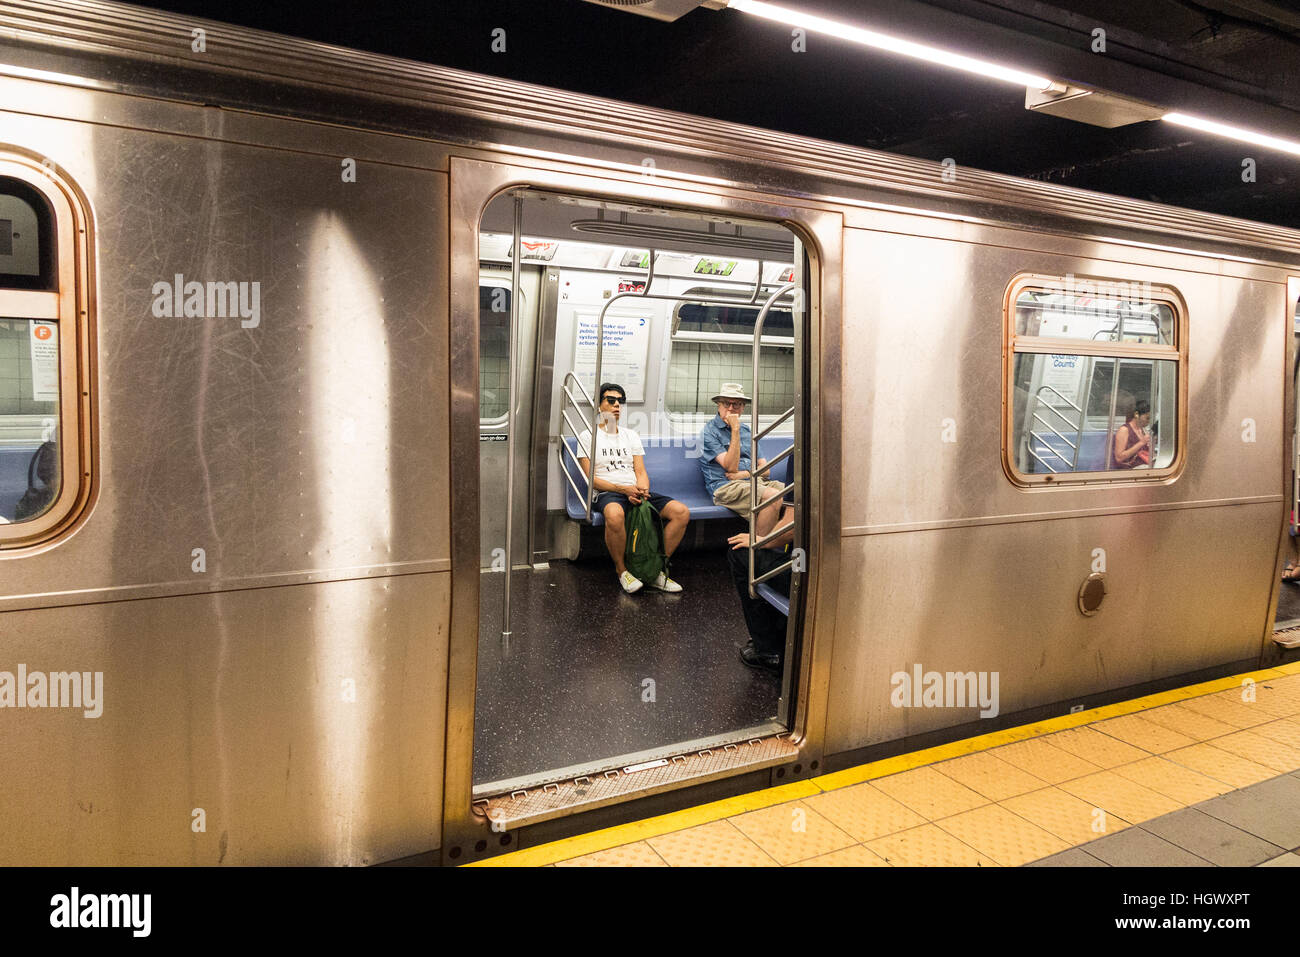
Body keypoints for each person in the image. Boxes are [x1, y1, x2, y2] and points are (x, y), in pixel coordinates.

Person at [578, 382, 690, 594]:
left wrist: (642, 490)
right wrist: (624, 490)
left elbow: (640, 471)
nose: (616, 405)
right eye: (610, 400)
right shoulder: (588, 437)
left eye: (620, 401)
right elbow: (592, 480)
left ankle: (654, 569)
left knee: (681, 513)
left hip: (634, 490)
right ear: (599, 405)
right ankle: (623, 572)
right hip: (608, 491)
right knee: (614, 514)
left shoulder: (630, 435)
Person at [697, 383, 793, 541]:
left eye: (737, 404)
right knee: (772, 496)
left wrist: (744, 473)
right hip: (724, 487)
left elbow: (765, 469)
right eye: (726, 403)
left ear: (742, 408)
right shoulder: (709, 432)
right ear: (718, 405)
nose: (731, 408)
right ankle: (759, 551)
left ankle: (782, 546)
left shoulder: (747, 431)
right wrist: (735, 430)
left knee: (796, 492)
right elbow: (730, 466)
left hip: (755, 480)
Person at [726, 525, 793, 674]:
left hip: (802, 571)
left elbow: (789, 527)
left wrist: (760, 541)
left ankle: (768, 650)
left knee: (739, 553)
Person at [1112, 398, 1152, 469]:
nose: (1148, 421)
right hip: (1130, 469)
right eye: (1147, 418)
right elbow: (1119, 458)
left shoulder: (1143, 430)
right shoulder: (1124, 430)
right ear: (1136, 414)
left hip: (1144, 466)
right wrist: (1142, 442)